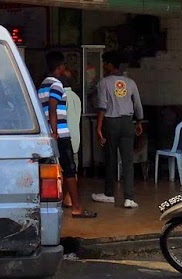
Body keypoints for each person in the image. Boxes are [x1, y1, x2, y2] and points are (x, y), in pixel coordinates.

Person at [38, 52, 92, 218]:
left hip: (47, 134)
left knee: (50, 170)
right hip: (60, 134)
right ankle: (76, 207)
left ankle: (57, 204)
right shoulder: (56, 85)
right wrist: (55, 132)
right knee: (69, 170)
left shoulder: (42, 86)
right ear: (60, 67)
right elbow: (53, 108)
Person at [91, 52, 143, 209]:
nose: (103, 66)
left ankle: (109, 194)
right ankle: (129, 198)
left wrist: (98, 127)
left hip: (111, 123)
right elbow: (137, 105)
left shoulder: (103, 83)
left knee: (110, 159)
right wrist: (139, 122)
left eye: (104, 63)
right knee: (128, 160)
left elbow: (102, 106)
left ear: (109, 65)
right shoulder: (131, 82)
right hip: (128, 123)